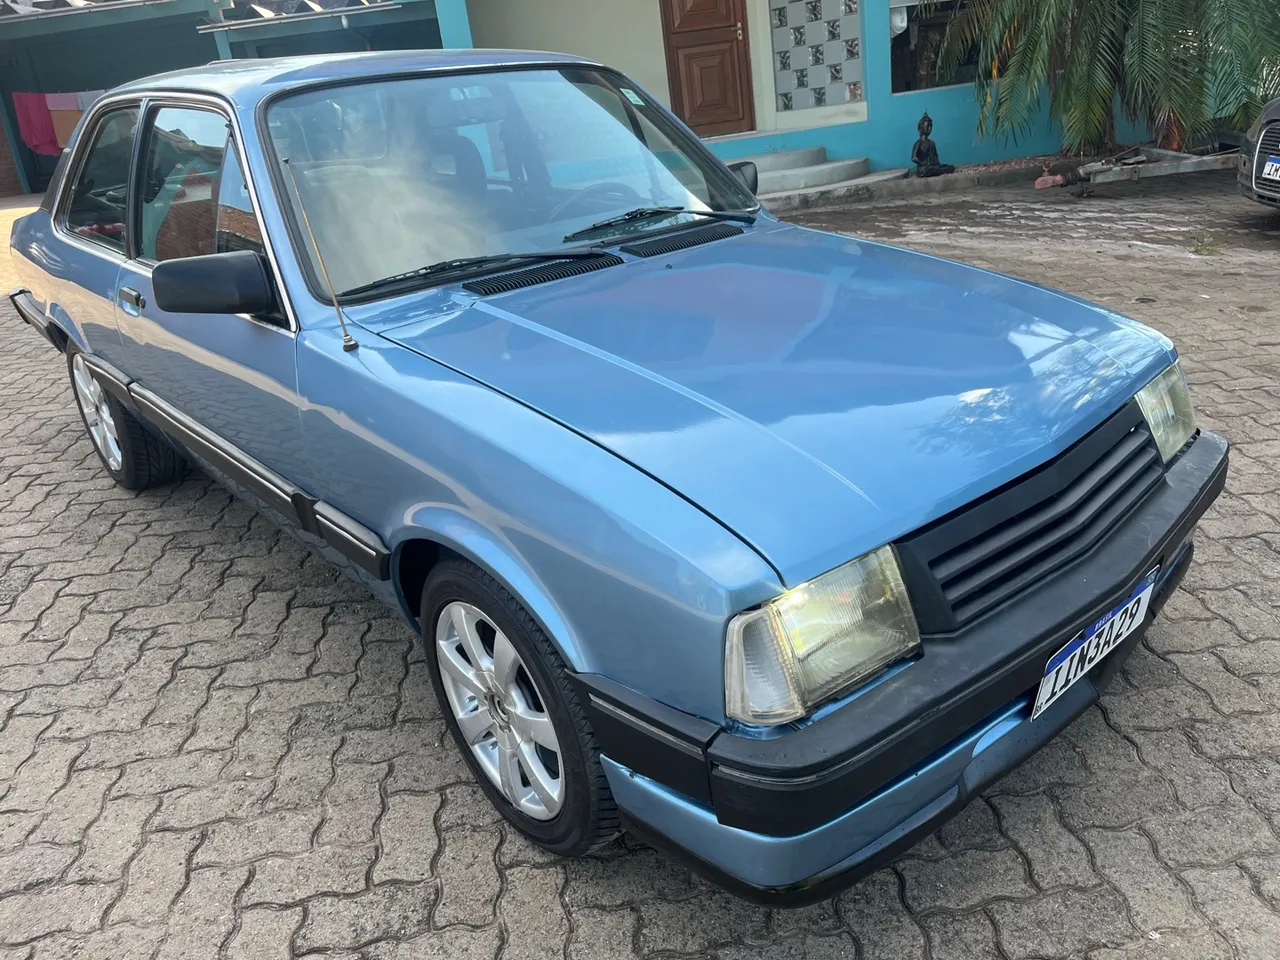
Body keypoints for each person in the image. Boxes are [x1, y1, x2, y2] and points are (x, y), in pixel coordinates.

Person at [911, 112, 954, 178]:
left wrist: (935, 163)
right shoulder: (918, 143)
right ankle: (935, 170)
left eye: (931, 126)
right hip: (924, 168)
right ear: (921, 128)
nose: (929, 128)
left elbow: (935, 156)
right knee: (926, 170)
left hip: (932, 166)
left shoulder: (931, 143)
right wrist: (923, 163)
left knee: (949, 167)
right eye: (927, 126)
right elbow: (914, 158)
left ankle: (937, 170)